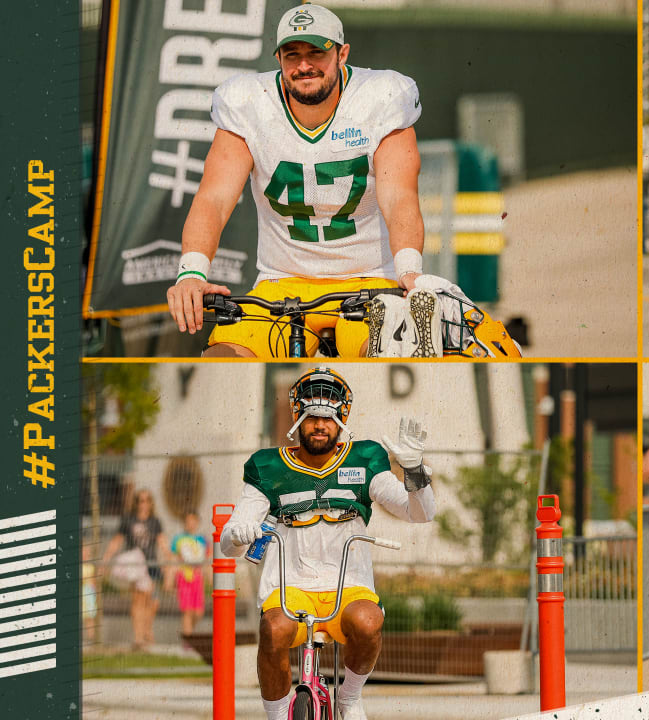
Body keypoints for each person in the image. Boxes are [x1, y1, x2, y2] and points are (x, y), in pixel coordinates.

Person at [165, 3, 467, 358]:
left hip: (371, 279)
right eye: (292, 55)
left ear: (342, 54)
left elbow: (398, 196)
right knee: (222, 361)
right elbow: (213, 198)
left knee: (382, 355)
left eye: (316, 53)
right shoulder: (249, 102)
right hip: (281, 281)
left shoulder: (381, 96)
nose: (304, 65)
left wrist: (409, 269)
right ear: (278, 58)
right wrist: (191, 272)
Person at [219, 368, 438, 720]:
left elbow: (420, 513)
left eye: (328, 418)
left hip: (347, 587)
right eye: (312, 417)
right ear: (297, 418)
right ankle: (276, 714)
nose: (320, 425)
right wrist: (239, 530)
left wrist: (414, 472)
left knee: (369, 622)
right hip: (289, 588)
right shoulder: (268, 466)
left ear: (342, 420)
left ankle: (349, 698)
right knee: (272, 631)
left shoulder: (365, 458)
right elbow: (228, 545)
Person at [101, 488, 170, 651]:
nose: (143, 504)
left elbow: (162, 541)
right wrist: (106, 560)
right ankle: (139, 637)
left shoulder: (155, 521)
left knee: (152, 602)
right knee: (138, 600)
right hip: (136, 566)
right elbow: (117, 541)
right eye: (140, 500)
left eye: (146, 500)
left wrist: (168, 558)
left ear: (151, 503)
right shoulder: (128, 519)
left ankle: (146, 630)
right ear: (136, 502)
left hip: (151, 565)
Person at [167, 511, 211, 636]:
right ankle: (188, 640)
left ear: (197, 522)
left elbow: (207, 560)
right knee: (187, 611)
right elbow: (172, 559)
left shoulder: (202, 540)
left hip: (197, 578)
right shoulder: (178, 539)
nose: (190, 524)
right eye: (188, 521)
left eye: (193, 521)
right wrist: (169, 580)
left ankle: (188, 634)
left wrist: (210, 578)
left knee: (198, 612)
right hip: (183, 577)